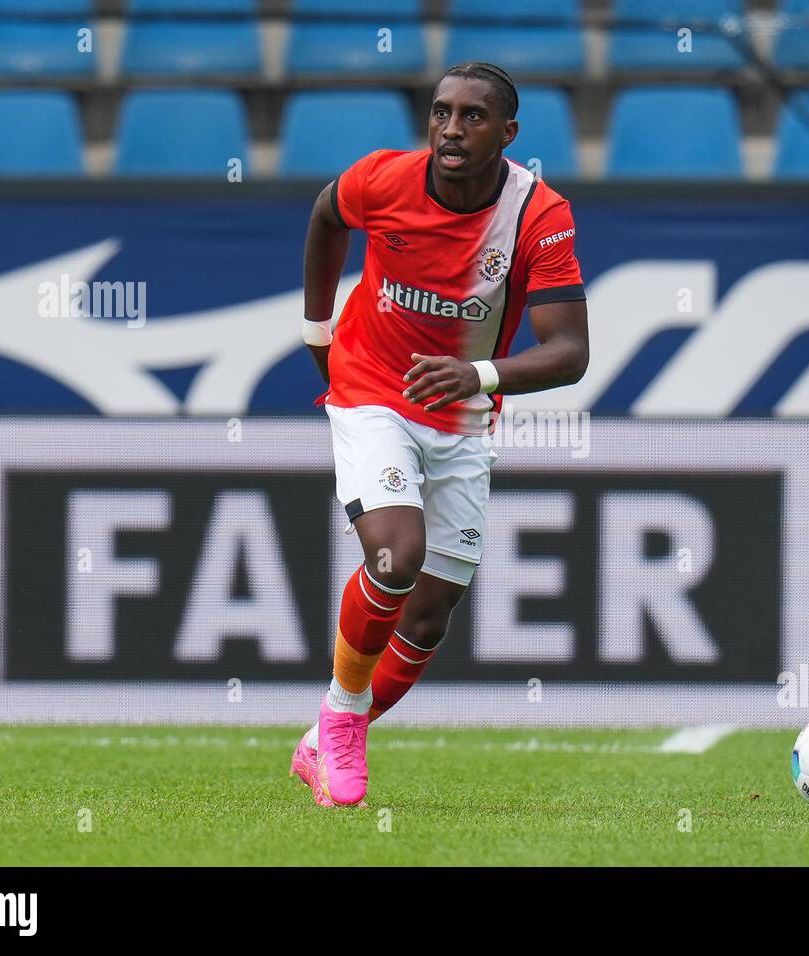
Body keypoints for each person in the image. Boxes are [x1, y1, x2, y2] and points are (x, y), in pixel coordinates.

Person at [290, 62, 590, 808]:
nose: (452, 130)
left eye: (473, 117)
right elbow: (328, 216)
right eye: (441, 113)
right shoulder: (383, 180)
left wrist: (481, 376)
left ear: (508, 134)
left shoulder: (538, 216)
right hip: (370, 389)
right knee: (396, 554)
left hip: (460, 412)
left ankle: (326, 729)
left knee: (429, 613)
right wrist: (316, 324)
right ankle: (344, 720)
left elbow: (570, 352)